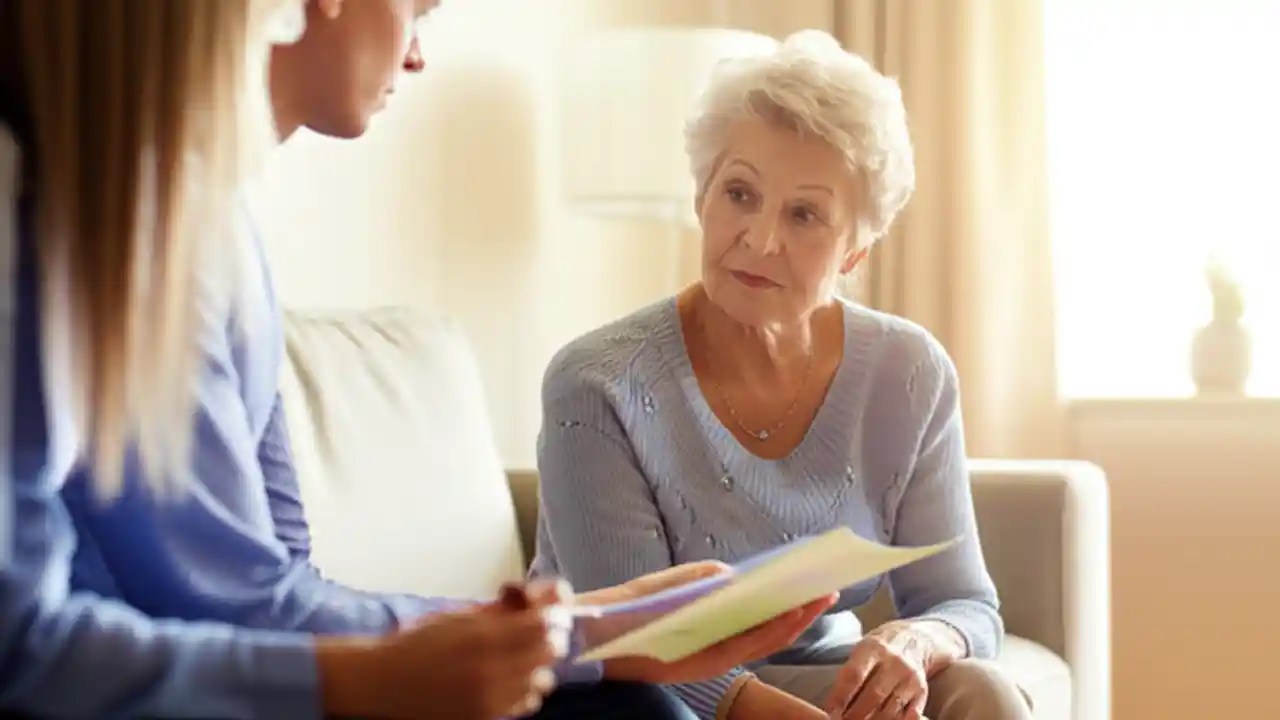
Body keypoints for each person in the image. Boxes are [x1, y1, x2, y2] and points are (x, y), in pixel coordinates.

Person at [0, 1, 833, 717]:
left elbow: (279, 583)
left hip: (214, 664)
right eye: (419, 7)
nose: (416, 52)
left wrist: (580, 627)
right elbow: (56, 639)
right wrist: (581, 636)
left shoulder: (210, 227)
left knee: (621, 703)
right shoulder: (97, 220)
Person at [530, 29, 1035, 720]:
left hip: (815, 678)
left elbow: (965, 602)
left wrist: (917, 641)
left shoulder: (908, 373)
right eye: (740, 193)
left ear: (855, 251)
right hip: (639, 692)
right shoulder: (596, 383)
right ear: (703, 197)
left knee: (984, 692)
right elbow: (638, 640)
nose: (761, 240)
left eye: (805, 214)